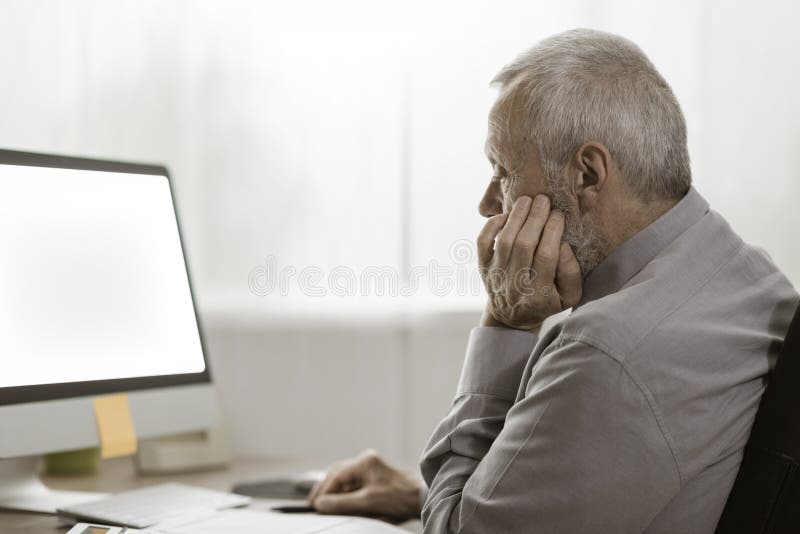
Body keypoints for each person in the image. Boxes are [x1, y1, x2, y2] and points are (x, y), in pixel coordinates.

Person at [308, 28, 799, 533]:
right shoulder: (746, 274)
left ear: (587, 174)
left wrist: (505, 324)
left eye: (501, 169)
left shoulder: (608, 354)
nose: (488, 203)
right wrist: (422, 492)